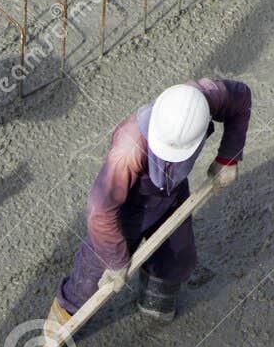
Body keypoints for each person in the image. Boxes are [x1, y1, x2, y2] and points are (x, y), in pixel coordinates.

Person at [50, 78, 250, 331]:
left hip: (172, 191)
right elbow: (99, 213)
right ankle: (60, 324)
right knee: (93, 273)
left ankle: (156, 302)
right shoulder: (127, 150)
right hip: (129, 204)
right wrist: (116, 261)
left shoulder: (206, 98)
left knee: (177, 256)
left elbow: (241, 99)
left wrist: (228, 157)